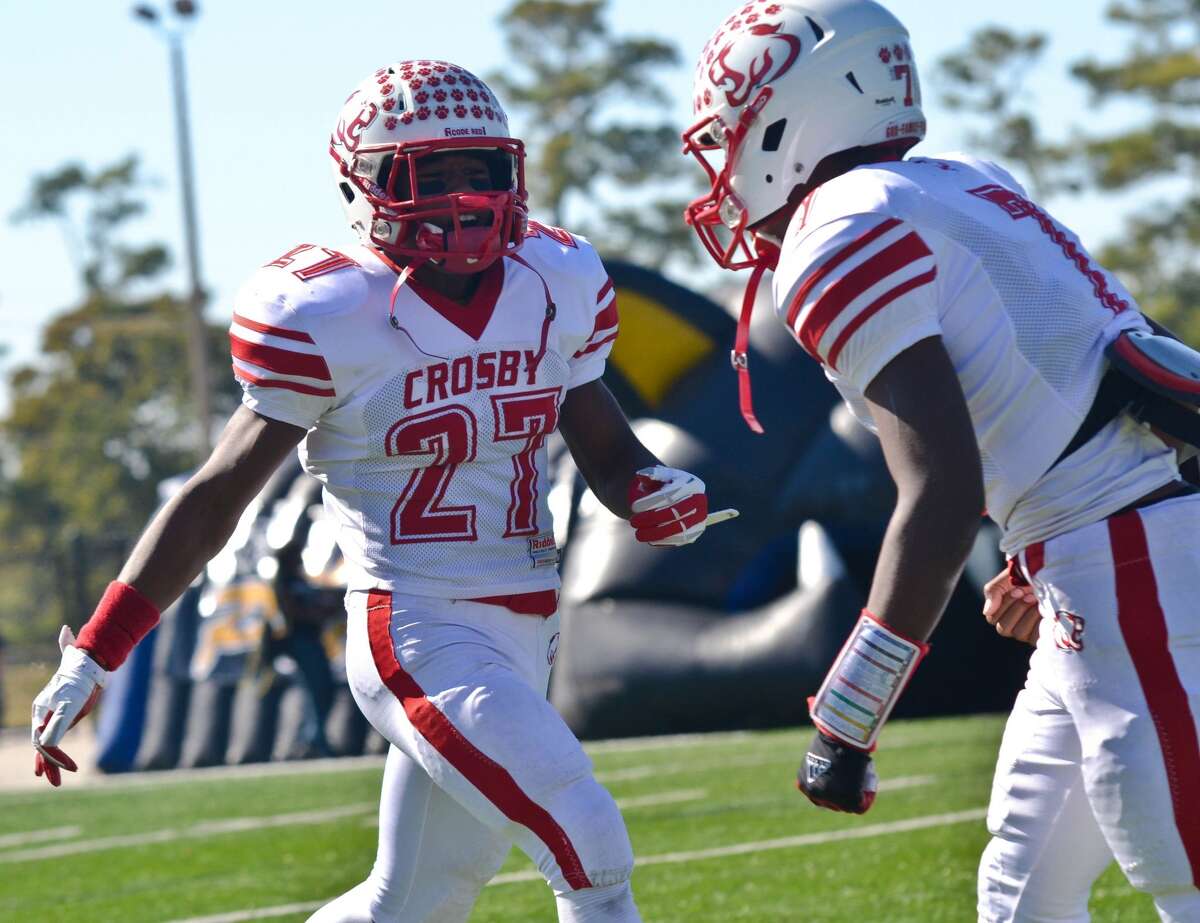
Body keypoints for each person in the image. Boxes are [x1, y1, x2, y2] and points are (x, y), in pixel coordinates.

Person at [30, 60, 720, 923]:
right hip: (418, 625)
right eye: (432, 173)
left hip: (528, 627)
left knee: (414, 901)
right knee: (590, 847)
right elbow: (217, 494)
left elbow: (609, 454)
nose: (465, 197)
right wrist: (95, 651)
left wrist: (652, 490)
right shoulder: (329, 309)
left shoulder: (557, 278)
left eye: (483, 168)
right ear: (364, 183)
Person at [681, 2, 1200, 921]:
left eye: (732, 132)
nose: (723, 167)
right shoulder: (963, 180)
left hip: (1127, 561)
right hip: (1111, 549)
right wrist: (1046, 545)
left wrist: (849, 715)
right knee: (1022, 885)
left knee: (1183, 869)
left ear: (793, 116)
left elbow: (943, 490)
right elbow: (1133, 362)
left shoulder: (835, 230)